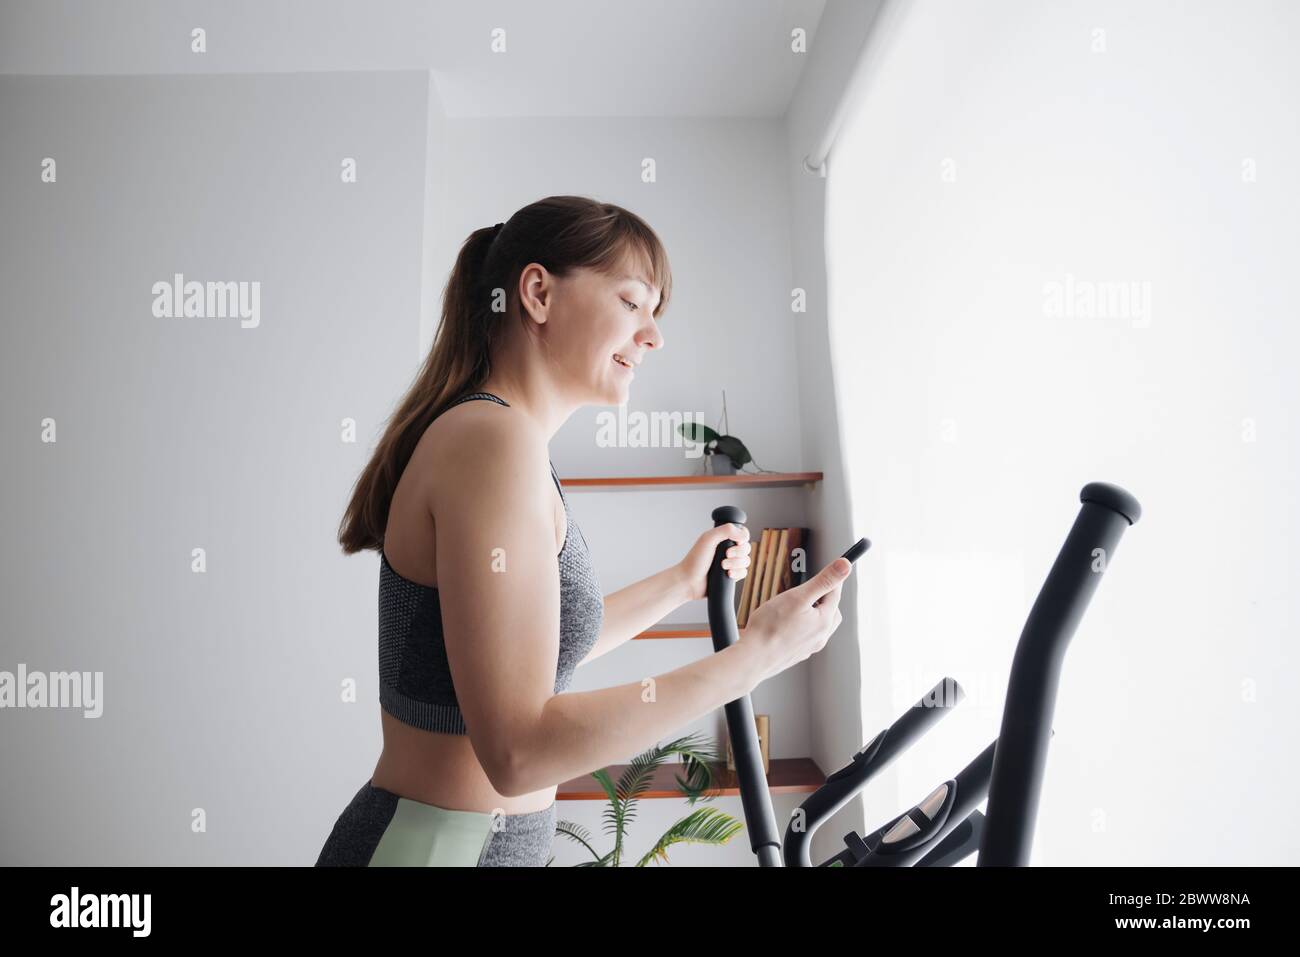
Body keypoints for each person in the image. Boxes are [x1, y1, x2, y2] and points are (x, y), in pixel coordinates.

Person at [315, 195, 850, 866]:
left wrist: (680, 584)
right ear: (537, 293)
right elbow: (518, 751)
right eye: (633, 303)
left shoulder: (506, 441)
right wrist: (758, 655)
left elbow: (532, 652)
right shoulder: (493, 441)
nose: (654, 336)